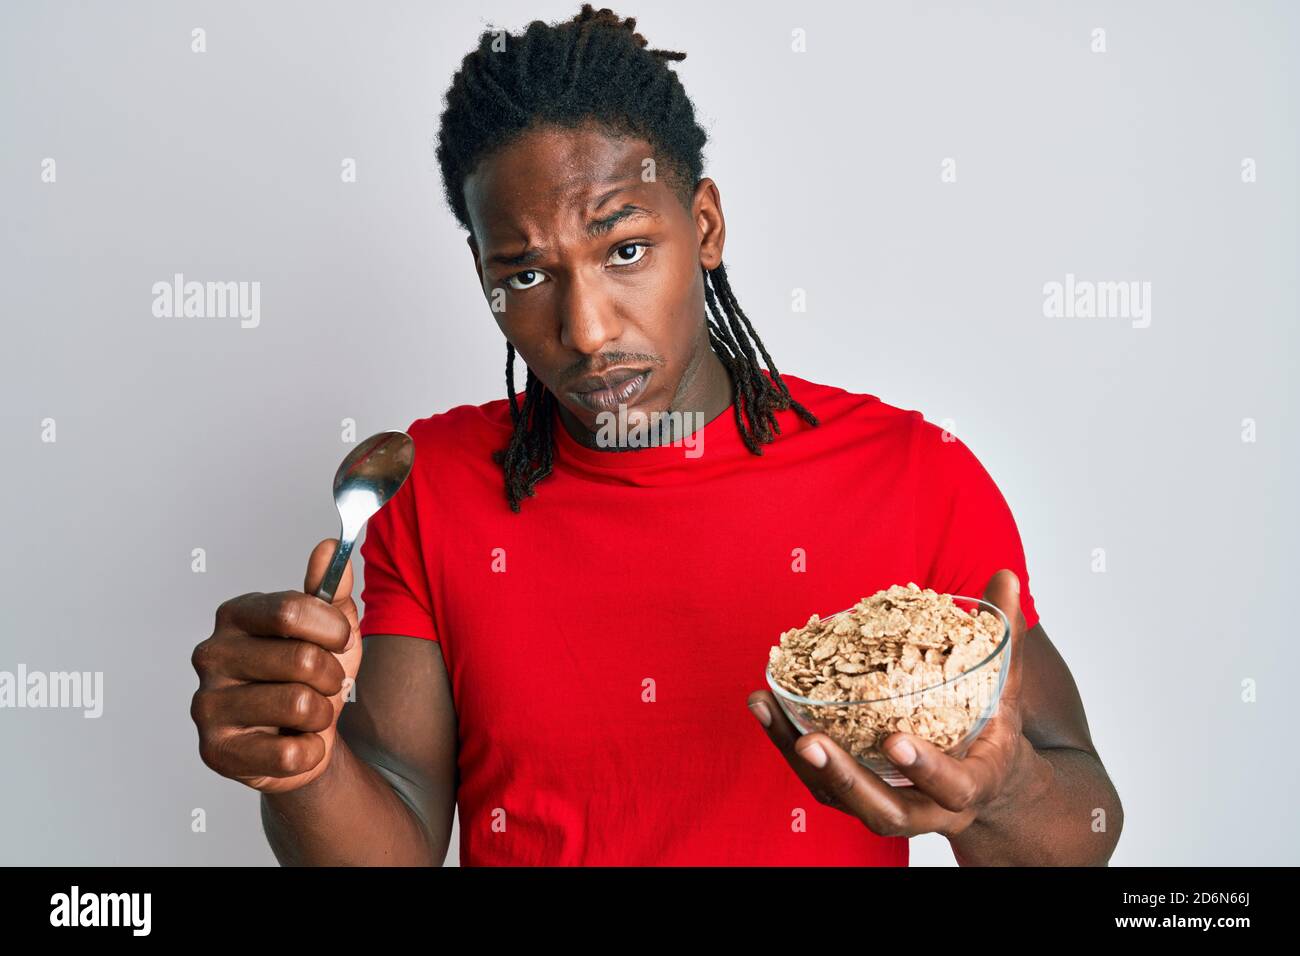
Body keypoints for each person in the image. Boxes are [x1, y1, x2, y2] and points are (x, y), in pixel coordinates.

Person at [190, 4, 1122, 866]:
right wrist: (301, 768)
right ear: (482, 274)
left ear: (705, 226)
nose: (588, 329)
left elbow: (1084, 817)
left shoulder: (913, 475)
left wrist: (1001, 794)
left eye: (624, 248)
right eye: (525, 274)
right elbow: (394, 832)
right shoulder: (427, 488)